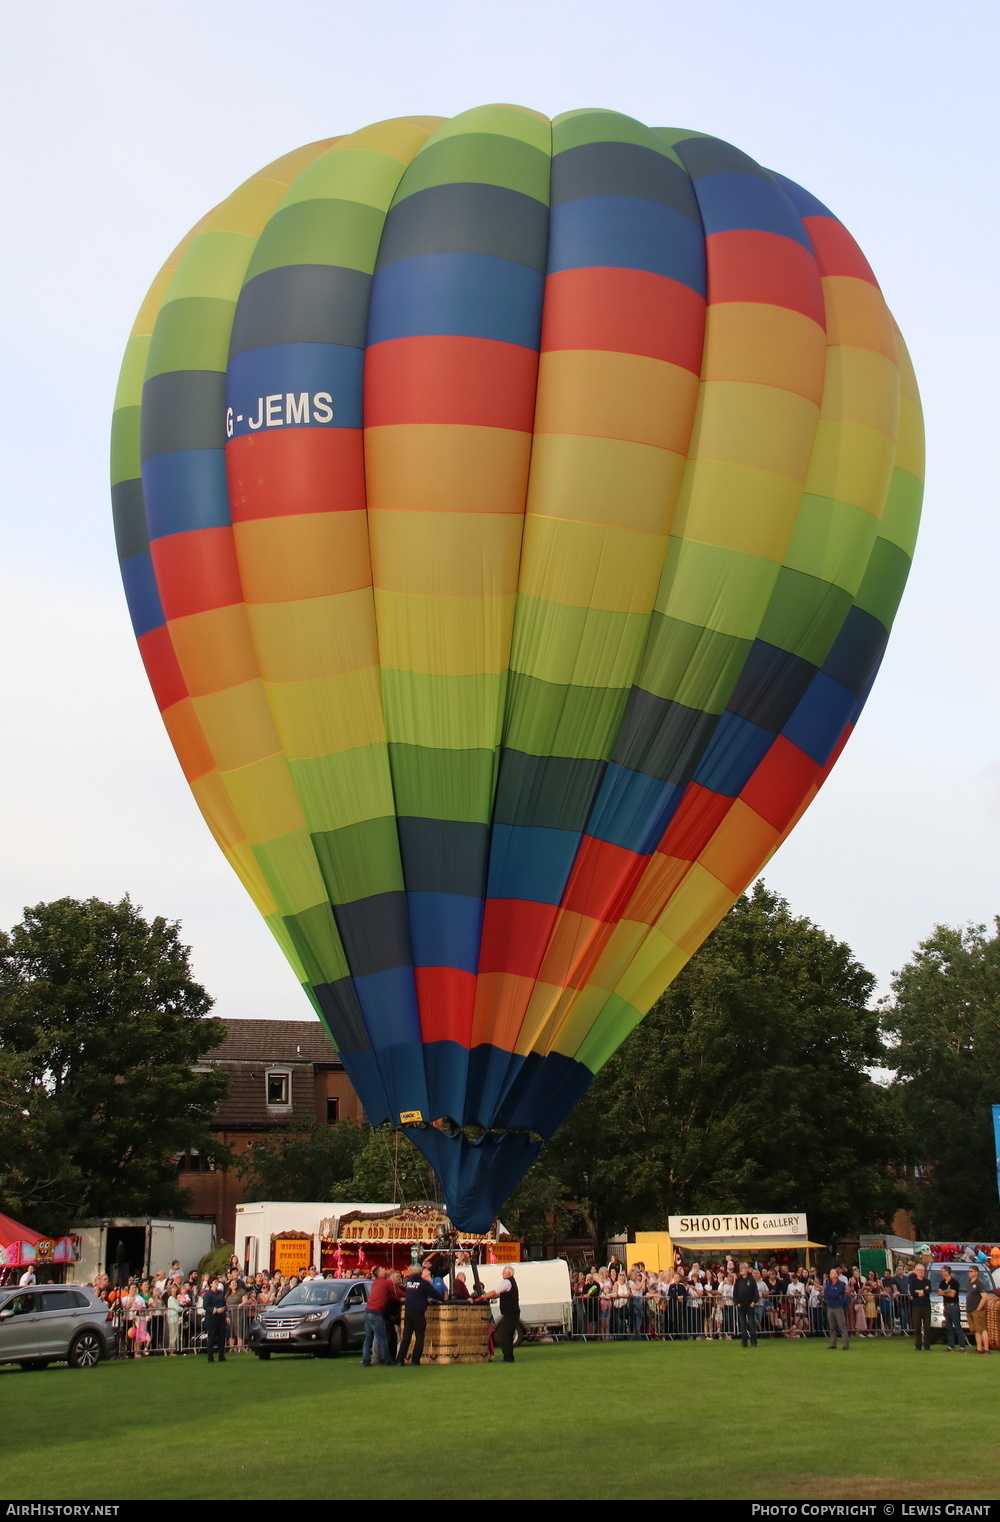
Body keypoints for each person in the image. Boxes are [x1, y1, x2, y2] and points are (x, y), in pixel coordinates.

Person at [396, 1266, 444, 1366]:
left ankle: (400, 1360)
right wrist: (441, 1298)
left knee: (406, 1337)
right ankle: (415, 1360)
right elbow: (435, 1294)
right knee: (419, 1336)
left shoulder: (409, 1282)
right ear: (421, 1273)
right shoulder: (423, 1283)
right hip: (418, 1312)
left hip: (408, 1311)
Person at [362, 1267, 402, 1369]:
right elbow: (397, 1292)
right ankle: (387, 1360)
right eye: (383, 1269)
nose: (385, 1270)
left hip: (368, 1311)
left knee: (368, 1337)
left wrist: (397, 1299)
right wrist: (410, 1295)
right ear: (380, 1273)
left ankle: (366, 1360)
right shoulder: (386, 1282)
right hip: (376, 1312)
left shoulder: (376, 1282)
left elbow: (387, 1295)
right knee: (382, 1338)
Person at [482, 1266, 520, 1363]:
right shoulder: (511, 1283)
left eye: (503, 1272)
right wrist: (488, 1297)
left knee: (505, 1334)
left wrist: (482, 1297)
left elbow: (496, 1291)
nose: (502, 1273)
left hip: (510, 1313)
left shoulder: (507, 1282)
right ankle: (509, 1356)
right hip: (511, 1313)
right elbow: (498, 1294)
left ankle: (508, 1357)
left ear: (509, 1274)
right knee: (507, 1334)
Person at [965, 1265, 992, 1355]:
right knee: (976, 1330)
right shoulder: (969, 1283)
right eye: (969, 1271)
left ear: (977, 1273)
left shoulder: (979, 1283)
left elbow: (984, 1297)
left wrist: (978, 1308)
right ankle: (979, 1348)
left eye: (971, 1271)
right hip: (970, 1310)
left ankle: (986, 1349)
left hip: (977, 1310)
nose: (969, 1273)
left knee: (982, 1329)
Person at [939, 1265, 967, 1351]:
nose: (941, 1273)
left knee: (957, 1326)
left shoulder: (954, 1282)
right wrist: (947, 1292)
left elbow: (952, 1294)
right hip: (946, 1306)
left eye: (942, 1271)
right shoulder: (942, 1282)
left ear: (947, 1272)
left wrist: (944, 1292)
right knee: (948, 1327)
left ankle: (962, 1346)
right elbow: (938, 1293)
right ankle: (950, 1345)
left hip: (954, 1306)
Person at [907, 1262, 933, 1351]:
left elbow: (928, 1291)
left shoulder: (927, 1281)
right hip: (916, 1307)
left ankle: (927, 1345)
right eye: (919, 1270)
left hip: (926, 1306)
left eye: (922, 1270)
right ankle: (918, 1345)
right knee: (917, 1327)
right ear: (915, 1271)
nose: (921, 1272)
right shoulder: (912, 1281)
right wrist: (922, 1292)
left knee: (927, 1327)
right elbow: (912, 1292)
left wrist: (920, 1292)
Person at [203, 1275, 229, 1363]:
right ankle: (210, 1356)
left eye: (217, 1282)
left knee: (222, 1336)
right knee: (212, 1337)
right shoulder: (208, 1294)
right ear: (210, 1284)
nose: (217, 1284)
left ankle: (221, 1355)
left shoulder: (221, 1293)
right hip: (212, 1318)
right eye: (215, 1282)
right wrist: (215, 1310)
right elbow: (205, 1306)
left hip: (221, 1317)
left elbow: (225, 1304)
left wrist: (227, 1315)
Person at [733, 1262, 759, 1348]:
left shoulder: (751, 1279)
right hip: (741, 1306)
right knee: (742, 1324)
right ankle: (744, 1341)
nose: (741, 1269)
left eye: (743, 1268)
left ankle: (753, 1341)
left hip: (750, 1305)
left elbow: (755, 1292)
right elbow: (735, 1292)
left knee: (751, 1323)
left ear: (747, 1269)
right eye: (740, 1268)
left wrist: (754, 1302)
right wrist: (736, 1302)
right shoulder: (738, 1280)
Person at [823, 1269, 851, 1349]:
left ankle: (845, 1344)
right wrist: (833, 1295)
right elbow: (825, 1295)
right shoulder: (828, 1284)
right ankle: (833, 1343)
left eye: (832, 1273)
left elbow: (837, 1294)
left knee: (842, 1326)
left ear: (836, 1275)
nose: (830, 1274)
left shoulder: (841, 1284)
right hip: (830, 1307)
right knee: (832, 1326)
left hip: (838, 1307)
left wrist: (831, 1295)